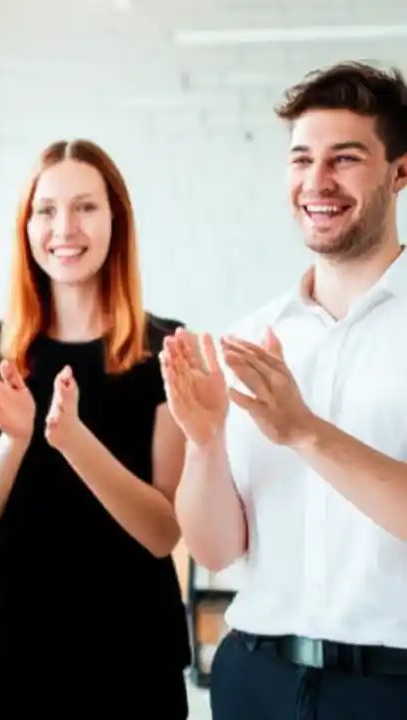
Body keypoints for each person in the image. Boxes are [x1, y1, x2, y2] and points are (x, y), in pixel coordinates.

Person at [162, 61, 407, 719]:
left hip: (390, 688)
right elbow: (216, 550)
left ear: (400, 172)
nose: (316, 182)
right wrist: (204, 443)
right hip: (256, 679)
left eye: (344, 159)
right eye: (301, 160)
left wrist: (303, 430)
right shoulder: (254, 336)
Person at [0, 139, 191, 718]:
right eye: (47, 210)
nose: (65, 228)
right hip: (11, 653)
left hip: (133, 656)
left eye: (85, 207)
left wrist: (75, 442)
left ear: (116, 219)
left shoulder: (165, 350)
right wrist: (17, 437)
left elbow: (164, 533)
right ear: (26, 225)